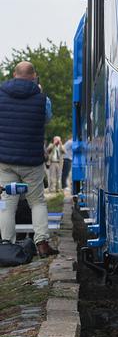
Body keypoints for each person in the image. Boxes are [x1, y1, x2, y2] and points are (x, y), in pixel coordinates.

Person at [0, 61, 58, 256]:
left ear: (14, 75)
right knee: (37, 202)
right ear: (34, 77)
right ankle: (42, 243)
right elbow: (46, 119)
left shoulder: (1, 94)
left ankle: (7, 245)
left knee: (7, 204)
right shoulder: (42, 99)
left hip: (6, 160)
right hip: (32, 161)